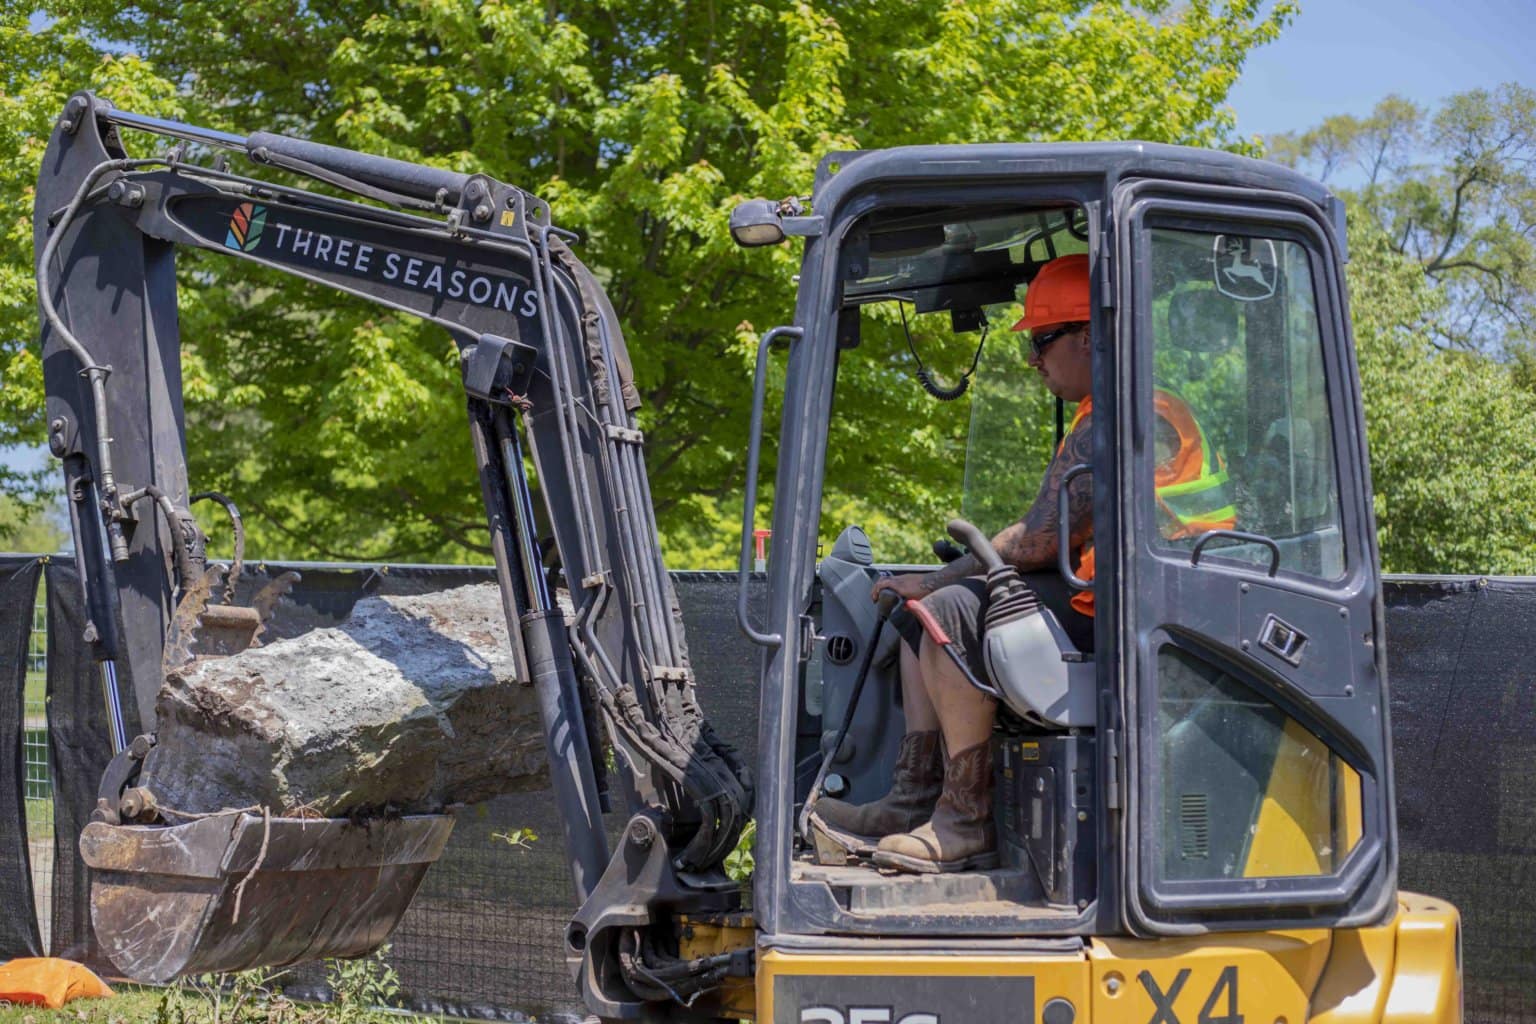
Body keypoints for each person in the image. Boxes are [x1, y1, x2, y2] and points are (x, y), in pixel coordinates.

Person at [811, 253, 1235, 874]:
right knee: (919, 614)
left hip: (1153, 612)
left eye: (1041, 340)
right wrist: (927, 588)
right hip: (1117, 596)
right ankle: (913, 798)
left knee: (948, 608)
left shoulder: (1126, 415)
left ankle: (965, 818)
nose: (1032, 359)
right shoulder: (1106, 413)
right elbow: (1052, 537)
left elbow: (1037, 541)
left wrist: (938, 580)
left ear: (1088, 336)